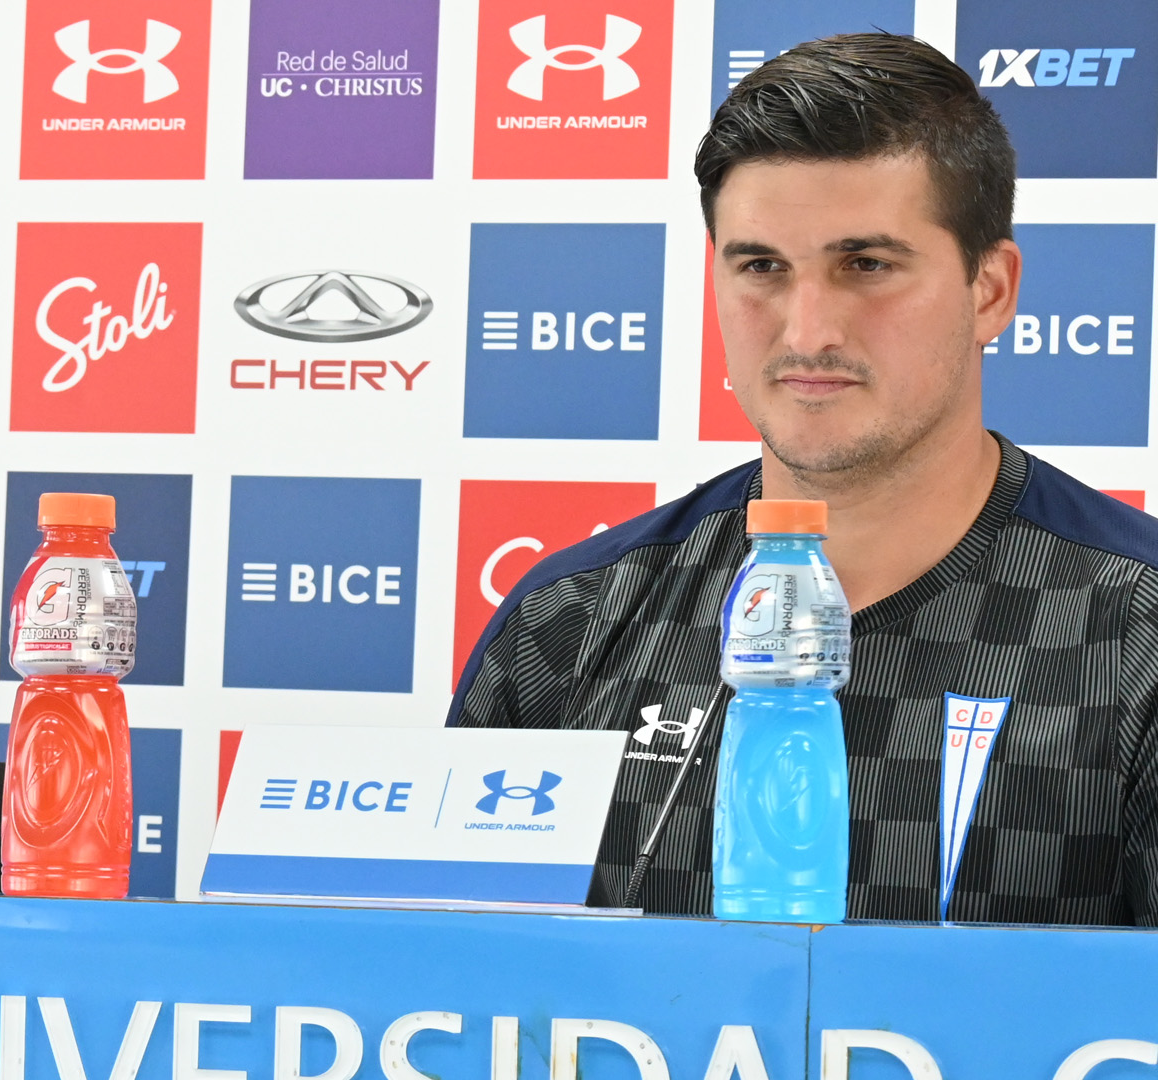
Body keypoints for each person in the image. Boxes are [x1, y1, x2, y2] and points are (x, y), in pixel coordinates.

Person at [451, 34, 1158, 925]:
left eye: (866, 265)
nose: (806, 330)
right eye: (761, 268)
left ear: (991, 290)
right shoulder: (570, 620)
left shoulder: (1139, 631)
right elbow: (447, 1008)